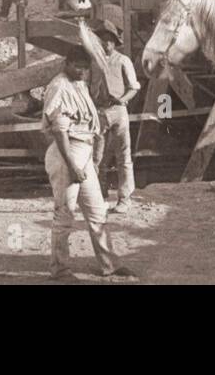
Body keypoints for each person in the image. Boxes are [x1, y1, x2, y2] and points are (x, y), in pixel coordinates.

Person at [42, 47, 134, 279]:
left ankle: (109, 264)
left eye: (85, 67)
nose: (82, 71)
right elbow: (60, 132)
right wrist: (73, 166)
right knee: (64, 215)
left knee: (96, 212)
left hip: (83, 150)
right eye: (77, 66)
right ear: (67, 63)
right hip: (67, 153)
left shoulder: (80, 84)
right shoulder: (59, 86)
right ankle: (59, 269)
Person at [87, 20, 139, 214]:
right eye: (103, 41)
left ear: (115, 43)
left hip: (118, 112)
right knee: (96, 158)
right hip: (99, 113)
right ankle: (99, 198)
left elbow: (134, 87)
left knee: (123, 157)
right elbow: (86, 86)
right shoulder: (93, 61)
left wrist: (123, 100)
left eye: (109, 41)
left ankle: (124, 199)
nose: (106, 44)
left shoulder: (123, 60)